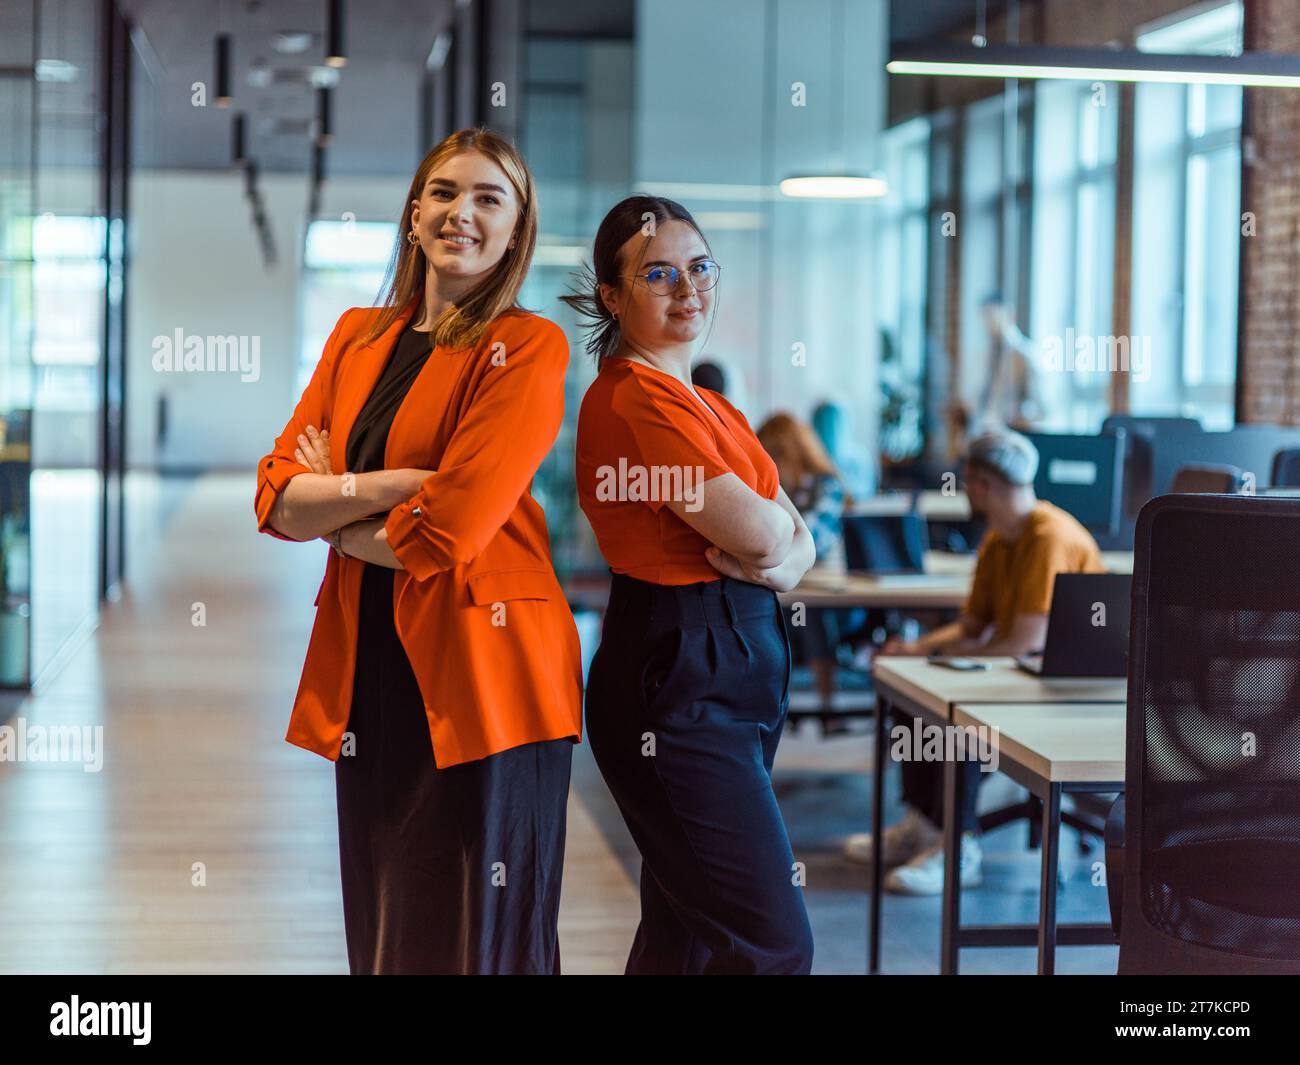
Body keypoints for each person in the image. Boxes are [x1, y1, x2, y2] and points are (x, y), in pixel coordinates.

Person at [253, 127, 582, 974]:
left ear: (517, 229)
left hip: (489, 670)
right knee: (390, 924)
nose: (460, 214)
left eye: (487, 198)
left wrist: (336, 506)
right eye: (443, 192)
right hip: (371, 670)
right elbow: (277, 498)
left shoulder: (526, 345)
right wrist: (391, 484)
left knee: (484, 939)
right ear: (412, 213)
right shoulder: (359, 337)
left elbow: (453, 529)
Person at [569, 195, 816, 974]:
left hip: (733, 667)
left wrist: (777, 549)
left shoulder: (713, 406)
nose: (689, 289)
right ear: (613, 297)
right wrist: (776, 547)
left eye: (701, 267)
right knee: (771, 944)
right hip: (678, 675)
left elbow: (797, 541)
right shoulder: (636, 402)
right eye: (659, 275)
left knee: (687, 936)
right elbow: (770, 534)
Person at [843, 428, 1104, 895]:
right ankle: (924, 825)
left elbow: (1024, 641)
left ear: (982, 484)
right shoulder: (999, 539)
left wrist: (950, 659)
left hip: (1064, 687)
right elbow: (971, 627)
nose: (964, 490)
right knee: (911, 688)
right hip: (1022, 671)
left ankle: (958, 845)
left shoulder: (1049, 537)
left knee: (959, 712)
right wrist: (917, 652)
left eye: (967, 481)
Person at [757, 412, 857, 708]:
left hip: (832, 593)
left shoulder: (826, 487)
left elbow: (813, 542)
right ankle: (763, 702)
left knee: (811, 611)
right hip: (785, 586)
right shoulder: (774, 488)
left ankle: (827, 705)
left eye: (770, 454)